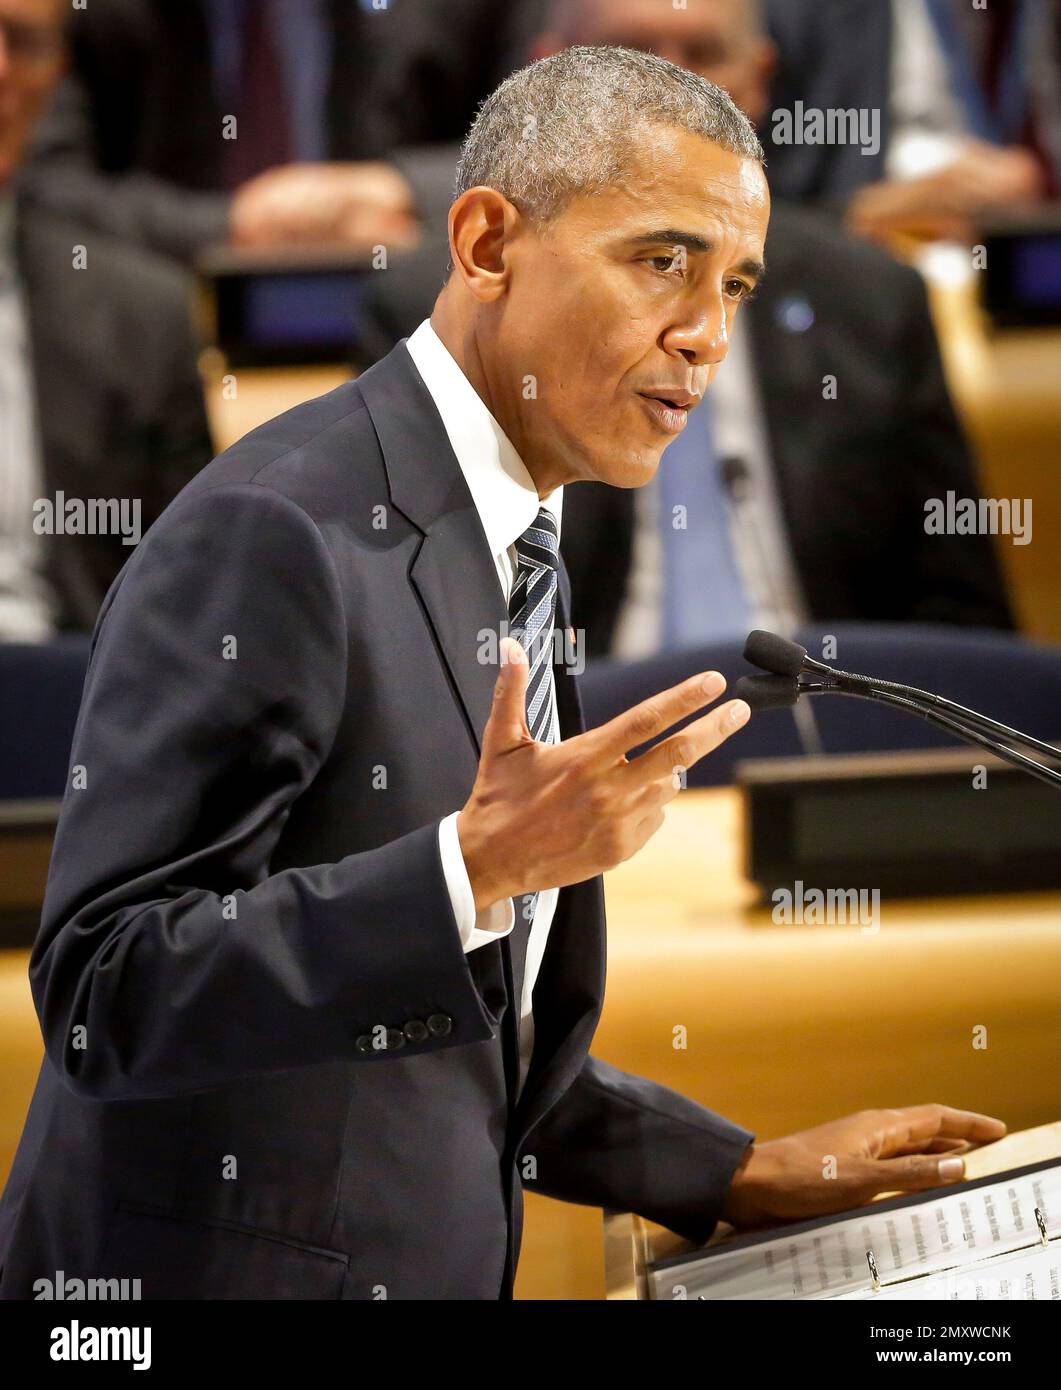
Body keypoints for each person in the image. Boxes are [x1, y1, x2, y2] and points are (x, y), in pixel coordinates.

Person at [0, 47, 1006, 1301]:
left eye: (734, 282)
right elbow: (106, 989)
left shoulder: (516, 527)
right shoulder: (274, 530)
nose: (703, 333)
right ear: (483, 244)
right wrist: (477, 868)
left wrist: (728, 1167)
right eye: (660, 261)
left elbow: (451, 1039)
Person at [530, 0, 1015, 658]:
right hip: (576, 729)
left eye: (703, 56)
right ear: (549, 78)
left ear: (758, 78)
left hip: (823, 718)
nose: (673, 93)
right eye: (632, 57)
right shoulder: (465, 303)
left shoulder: (870, 300)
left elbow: (963, 628)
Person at [18, 0, 543, 264]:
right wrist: (237, 224)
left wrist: (396, 187)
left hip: (407, 324)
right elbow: (38, 183)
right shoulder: (95, 14)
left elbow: (554, 148)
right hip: (163, 325)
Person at [0, 0, 212, 640]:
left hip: (54, 698)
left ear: (54, 75)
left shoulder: (145, 320)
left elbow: (186, 598)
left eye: (23, 41)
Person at [763, 0, 1061, 245]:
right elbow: (768, 213)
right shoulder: (803, 16)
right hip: (862, 262)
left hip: (993, 262)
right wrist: (876, 210)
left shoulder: (1025, 17)